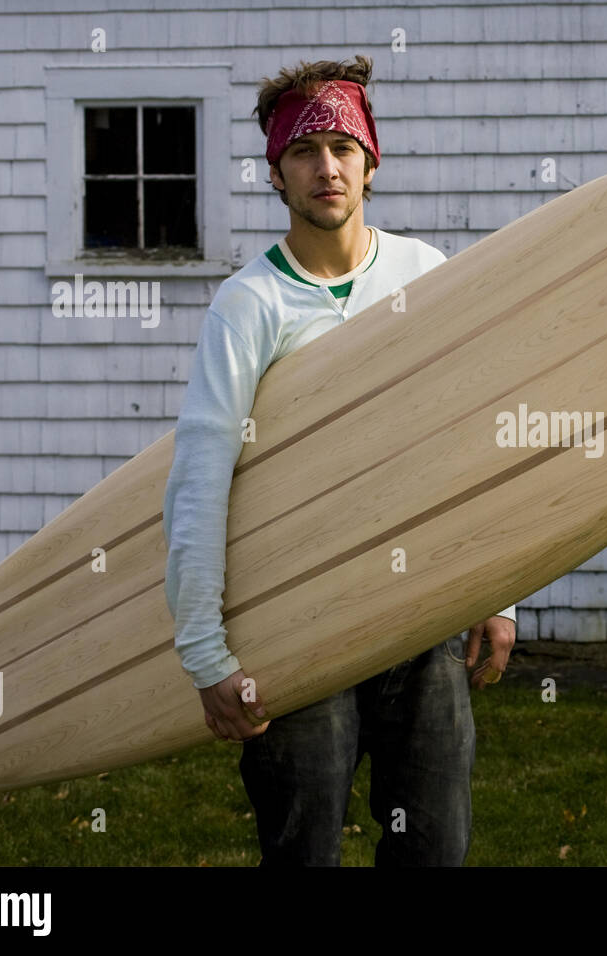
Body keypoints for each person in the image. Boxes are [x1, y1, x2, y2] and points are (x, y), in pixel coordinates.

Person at [162, 55, 516, 866]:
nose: (327, 167)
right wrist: (207, 654)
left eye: (343, 148)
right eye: (305, 151)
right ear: (275, 175)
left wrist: (502, 593)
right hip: (294, 619)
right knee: (304, 849)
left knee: (433, 846)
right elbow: (201, 477)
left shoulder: (424, 275)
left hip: (421, 615)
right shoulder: (249, 305)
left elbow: (472, 440)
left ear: (370, 162)